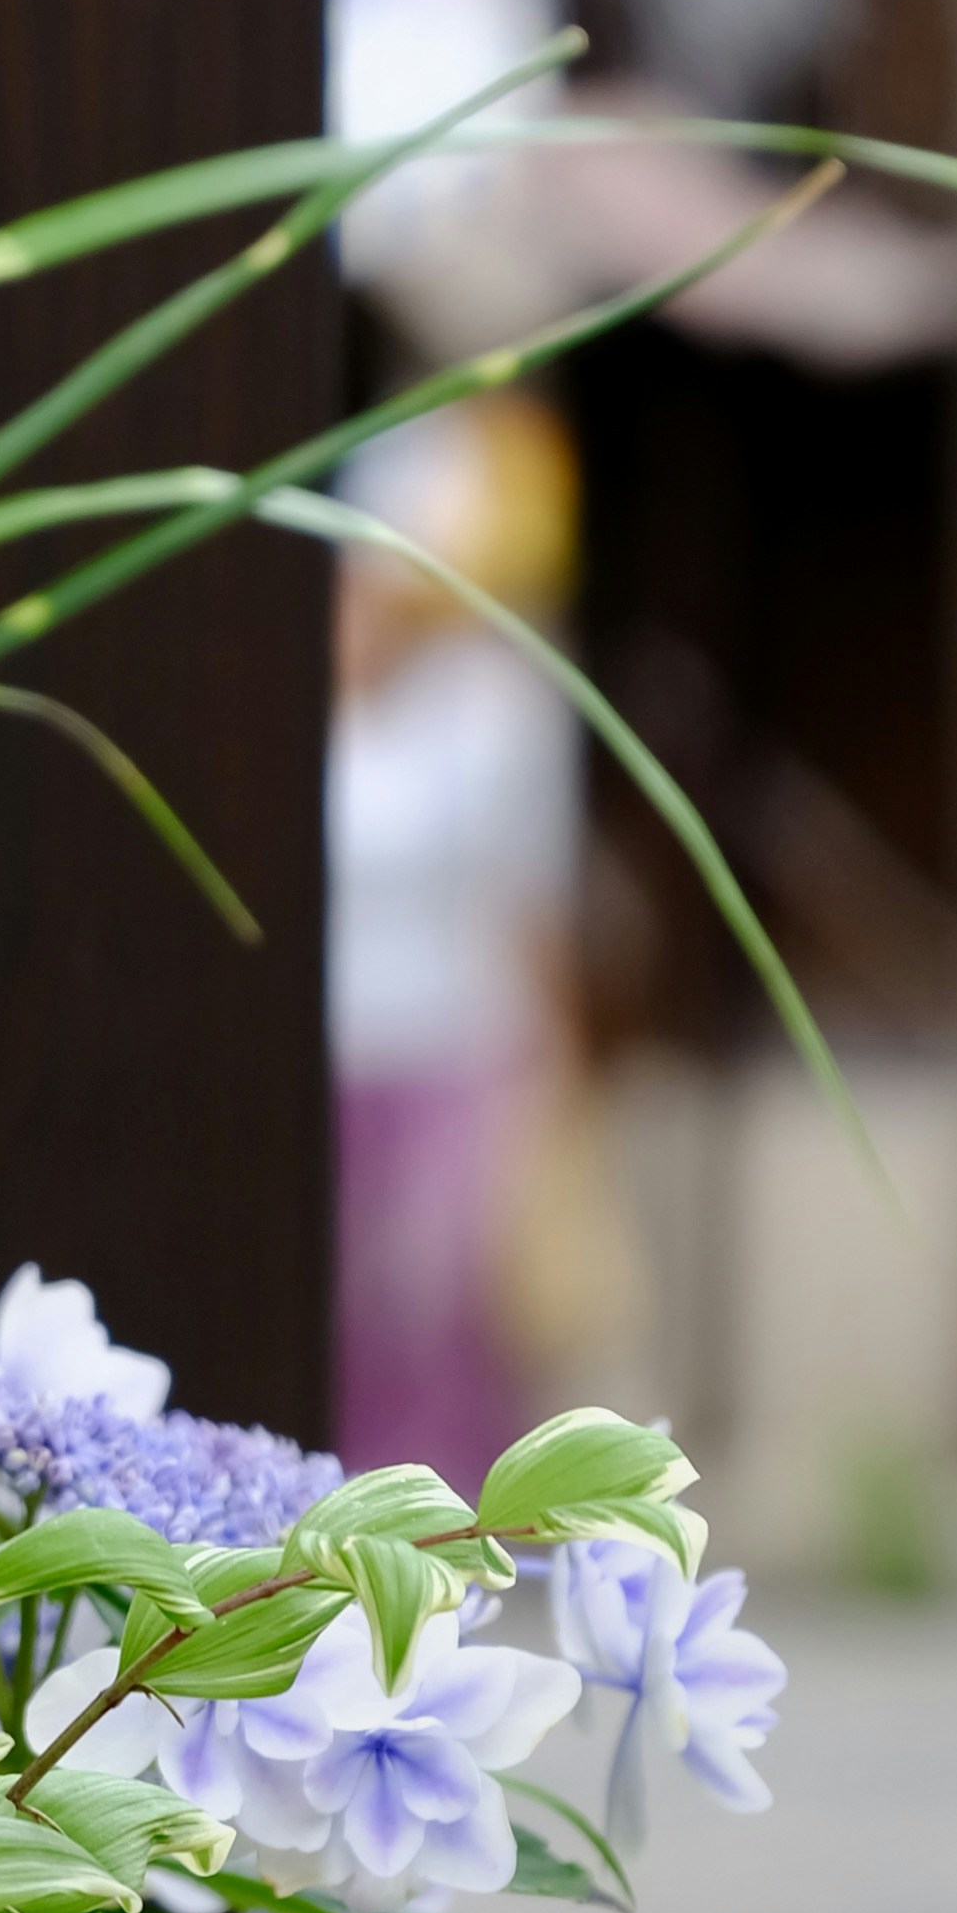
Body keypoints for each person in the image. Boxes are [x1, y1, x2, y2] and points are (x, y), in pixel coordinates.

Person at [326, 389, 587, 1487]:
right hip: (335, 1046)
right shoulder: (317, 701)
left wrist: (562, 1075)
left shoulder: (500, 705)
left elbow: (533, 900)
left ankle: (444, 1532)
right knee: (343, 1305)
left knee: (442, 1305)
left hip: (456, 1042)